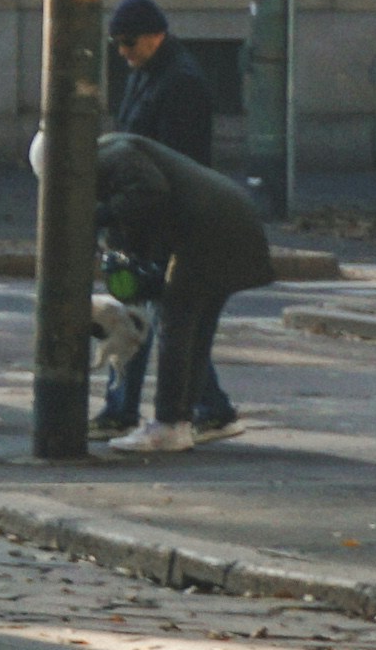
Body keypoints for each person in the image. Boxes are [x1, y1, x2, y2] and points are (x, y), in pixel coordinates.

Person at [90, 126, 273, 449]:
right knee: (193, 331)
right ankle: (183, 421)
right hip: (227, 228)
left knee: (176, 325)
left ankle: (170, 423)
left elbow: (149, 193)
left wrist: (103, 216)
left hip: (208, 236)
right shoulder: (116, 151)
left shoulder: (111, 159)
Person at [105, 0, 218, 159]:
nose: (122, 51)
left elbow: (180, 158)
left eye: (129, 42)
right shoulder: (142, 71)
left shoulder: (182, 82)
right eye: (116, 43)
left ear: (155, 36)